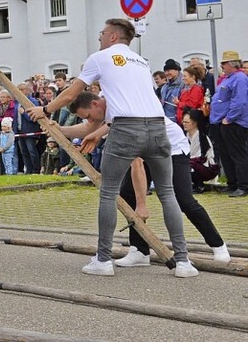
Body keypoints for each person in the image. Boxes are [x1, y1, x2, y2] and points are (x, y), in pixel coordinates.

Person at [29, 18, 196, 278]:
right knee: (167, 193)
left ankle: (103, 260)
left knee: (108, 193)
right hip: (157, 128)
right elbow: (132, 101)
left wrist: (45, 109)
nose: (99, 36)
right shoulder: (141, 62)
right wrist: (88, 132)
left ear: (113, 37)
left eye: (102, 33)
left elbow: (72, 94)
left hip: (126, 130)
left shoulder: (100, 57)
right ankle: (184, 262)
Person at [65, 92, 230, 265]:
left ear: (95, 104)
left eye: (89, 116)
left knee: (183, 199)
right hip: (146, 146)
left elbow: (137, 164)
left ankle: (218, 245)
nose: (90, 121)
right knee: (127, 194)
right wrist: (57, 129)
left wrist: (142, 204)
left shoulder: (123, 108)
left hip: (170, 148)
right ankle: (140, 250)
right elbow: (90, 129)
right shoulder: (106, 102)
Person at [210, 50, 248, 197]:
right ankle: (233, 183)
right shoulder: (229, 78)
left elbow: (240, 101)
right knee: (226, 154)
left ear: (232, 64)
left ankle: (243, 185)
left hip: (233, 123)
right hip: (223, 122)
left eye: (224, 63)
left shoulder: (239, 79)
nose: (222, 66)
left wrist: (229, 118)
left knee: (238, 154)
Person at [182, 108, 219, 192]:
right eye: (183, 122)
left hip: (206, 168)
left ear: (194, 123)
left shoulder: (202, 138)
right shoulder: (185, 136)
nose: (184, 124)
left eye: (187, 122)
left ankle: (199, 185)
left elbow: (201, 158)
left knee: (188, 164)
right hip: (194, 164)